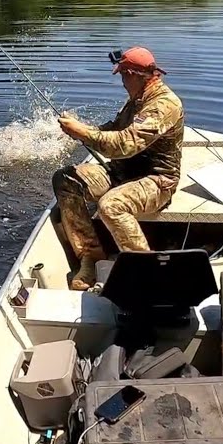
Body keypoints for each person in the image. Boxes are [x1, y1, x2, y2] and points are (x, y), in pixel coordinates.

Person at [53, 46, 184, 290]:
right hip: (122, 172)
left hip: (157, 181)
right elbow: (114, 129)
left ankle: (146, 273)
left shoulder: (164, 104)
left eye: (123, 75)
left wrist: (85, 133)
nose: (122, 82)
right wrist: (81, 130)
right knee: (66, 179)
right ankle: (91, 257)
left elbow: (125, 145)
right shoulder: (136, 99)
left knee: (111, 205)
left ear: (133, 74)